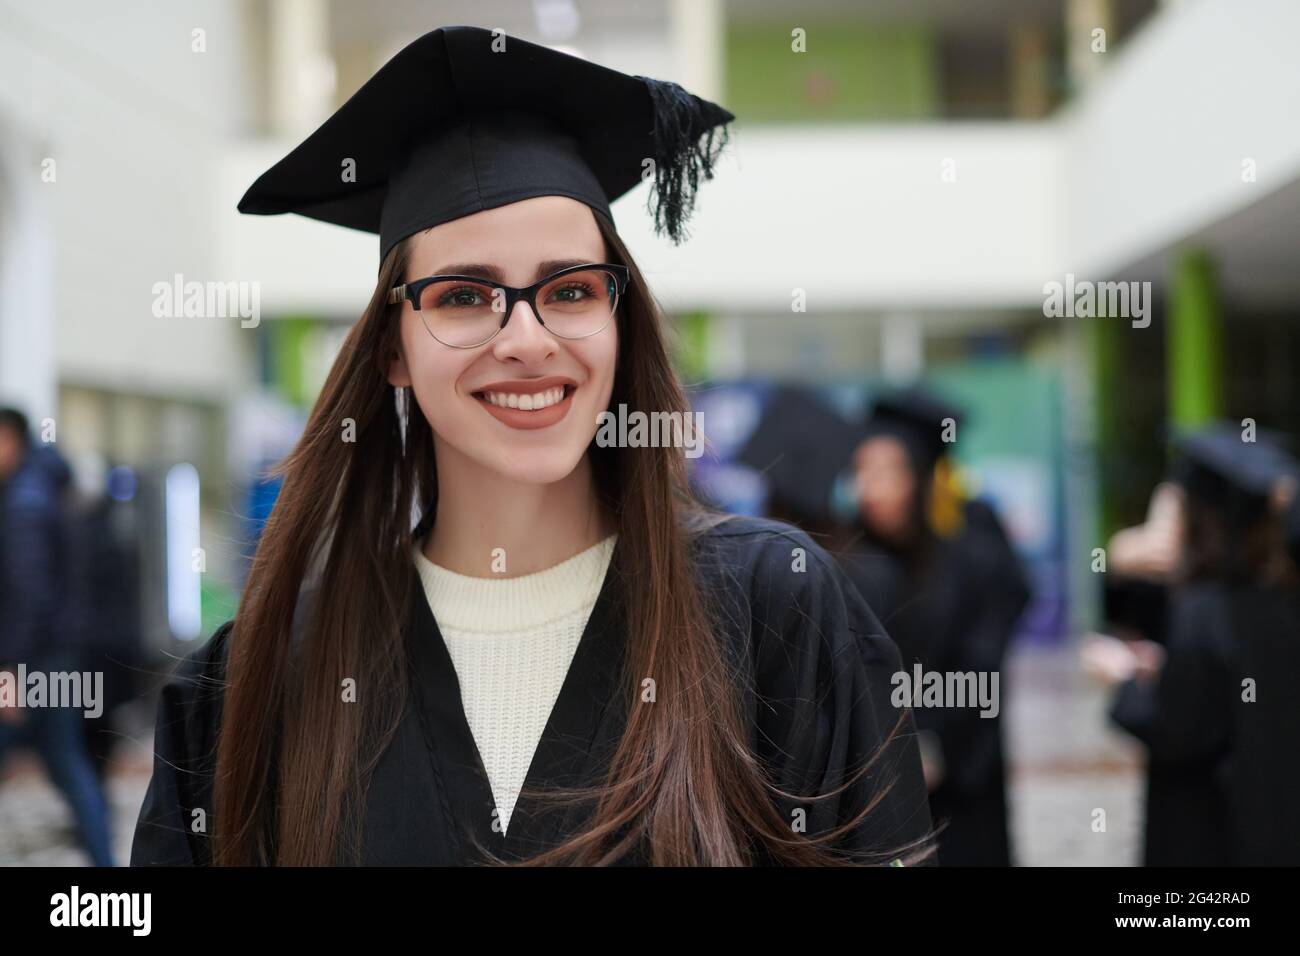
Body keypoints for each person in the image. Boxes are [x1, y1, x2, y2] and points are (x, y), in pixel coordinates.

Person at [130, 26, 934, 867]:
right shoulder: (261, 676)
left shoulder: (773, 612)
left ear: (619, 322)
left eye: (572, 289)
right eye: (465, 295)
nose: (526, 337)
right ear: (392, 350)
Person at [1089, 423, 1300, 865]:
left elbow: (1178, 731)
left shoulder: (1202, 610)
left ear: (1200, 520)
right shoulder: (1277, 599)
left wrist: (1125, 680)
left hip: (1208, 831)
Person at [836, 387, 1028, 866]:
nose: (871, 488)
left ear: (921, 479)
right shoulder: (855, 558)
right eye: (862, 471)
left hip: (960, 772)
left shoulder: (970, 554)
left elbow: (983, 660)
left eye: (889, 472)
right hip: (879, 785)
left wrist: (937, 743)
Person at [0, 407, 116, 866]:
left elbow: (29, 595)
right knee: (64, 759)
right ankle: (105, 859)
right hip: (56, 655)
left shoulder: (23, 503)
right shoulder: (43, 489)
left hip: (33, 659)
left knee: (65, 760)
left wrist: (10, 667)